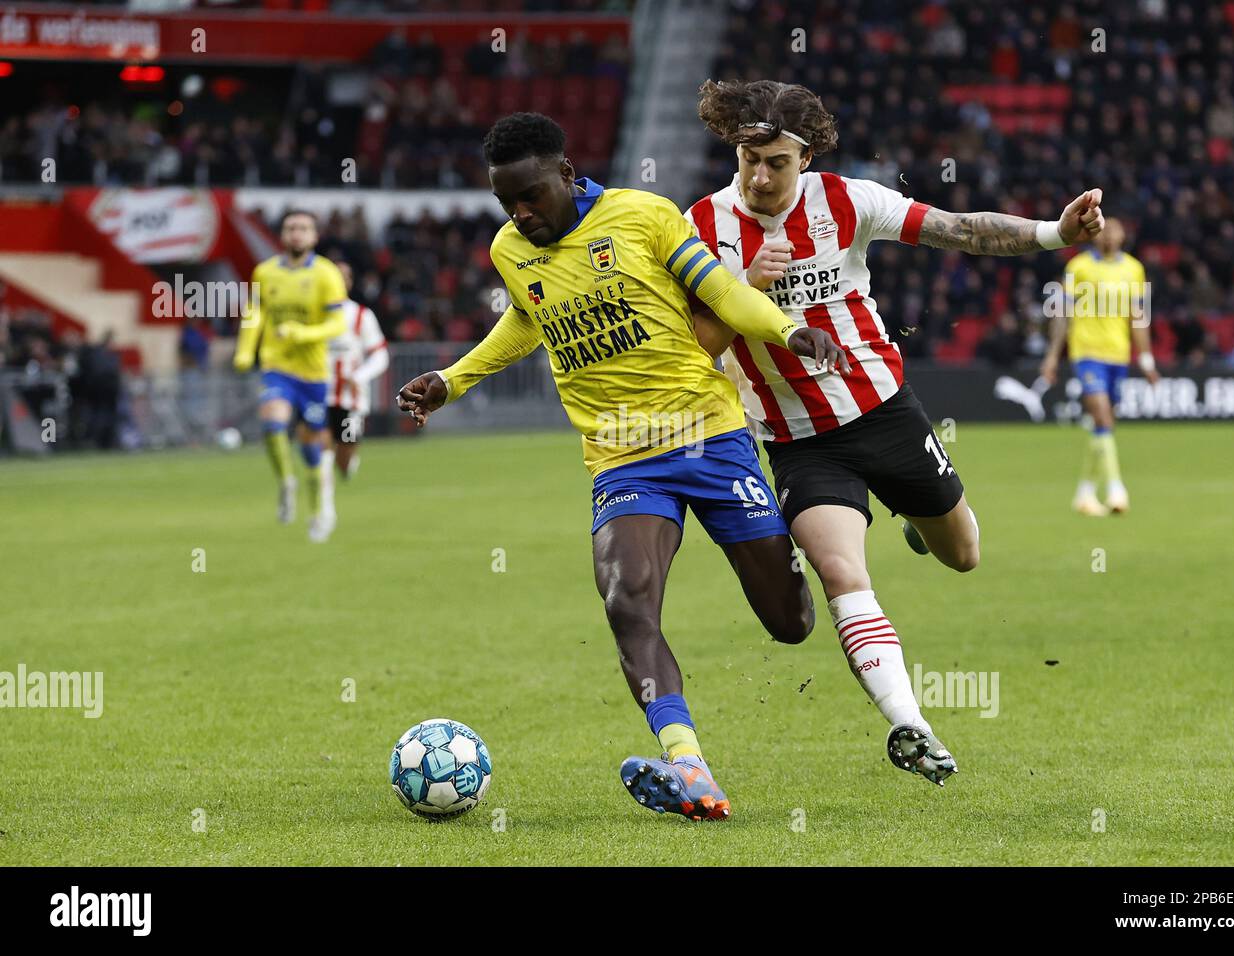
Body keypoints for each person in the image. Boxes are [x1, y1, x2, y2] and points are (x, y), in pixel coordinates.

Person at [398, 112, 848, 821]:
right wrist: (453, 379)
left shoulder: (643, 216)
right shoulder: (511, 250)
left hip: (709, 436)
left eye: (531, 196)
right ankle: (689, 767)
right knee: (626, 600)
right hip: (622, 455)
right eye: (505, 203)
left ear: (568, 175)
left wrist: (788, 329)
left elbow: (722, 292)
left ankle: (810, 514)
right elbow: (528, 318)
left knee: (790, 623)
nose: (520, 214)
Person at [689, 80, 1106, 785]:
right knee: (842, 572)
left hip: (885, 412)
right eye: (747, 159)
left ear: (807, 156)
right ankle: (912, 724)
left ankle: (918, 518)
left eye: (776, 162)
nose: (759, 176)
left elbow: (958, 229)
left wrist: (1052, 235)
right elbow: (693, 346)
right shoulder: (700, 225)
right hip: (798, 442)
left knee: (964, 553)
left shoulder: (848, 201)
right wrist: (742, 289)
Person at [233, 210, 348, 543]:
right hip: (277, 368)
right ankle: (286, 483)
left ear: (314, 237)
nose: (296, 233)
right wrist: (245, 350)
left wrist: (303, 333)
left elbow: (337, 324)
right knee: (272, 423)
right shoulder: (265, 273)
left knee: (312, 450)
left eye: (303, 228)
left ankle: (317, 511)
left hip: (313, 374)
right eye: (290, 228)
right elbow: (255, 313)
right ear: (282, 235)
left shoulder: (327, 274)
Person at [1041, 218, 1158, 515]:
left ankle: (1085, 493)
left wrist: (1146, 359)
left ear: (1123, 236)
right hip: (1087, 353)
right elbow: (1062, 314)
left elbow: (1139, 317)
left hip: (1118, 355)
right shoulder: (1078, 267)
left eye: (1115, 230)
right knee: (1104, 418)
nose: (1108, 234)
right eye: (1104, 229)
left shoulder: (1134, 269)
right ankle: (1117, 489)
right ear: (1094, 236)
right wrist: (1053, 356)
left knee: (1103, 426)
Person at [320, 261, 389, 527]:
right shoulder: (313, 313)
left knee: (344, 456)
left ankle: (348, 465)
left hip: (352, 400)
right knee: (321, 449)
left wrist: (359, 376)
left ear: (350, 282)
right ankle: (325, 510)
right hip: (320, 396)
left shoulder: (362, 316)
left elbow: (380, 355)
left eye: (344, 276)